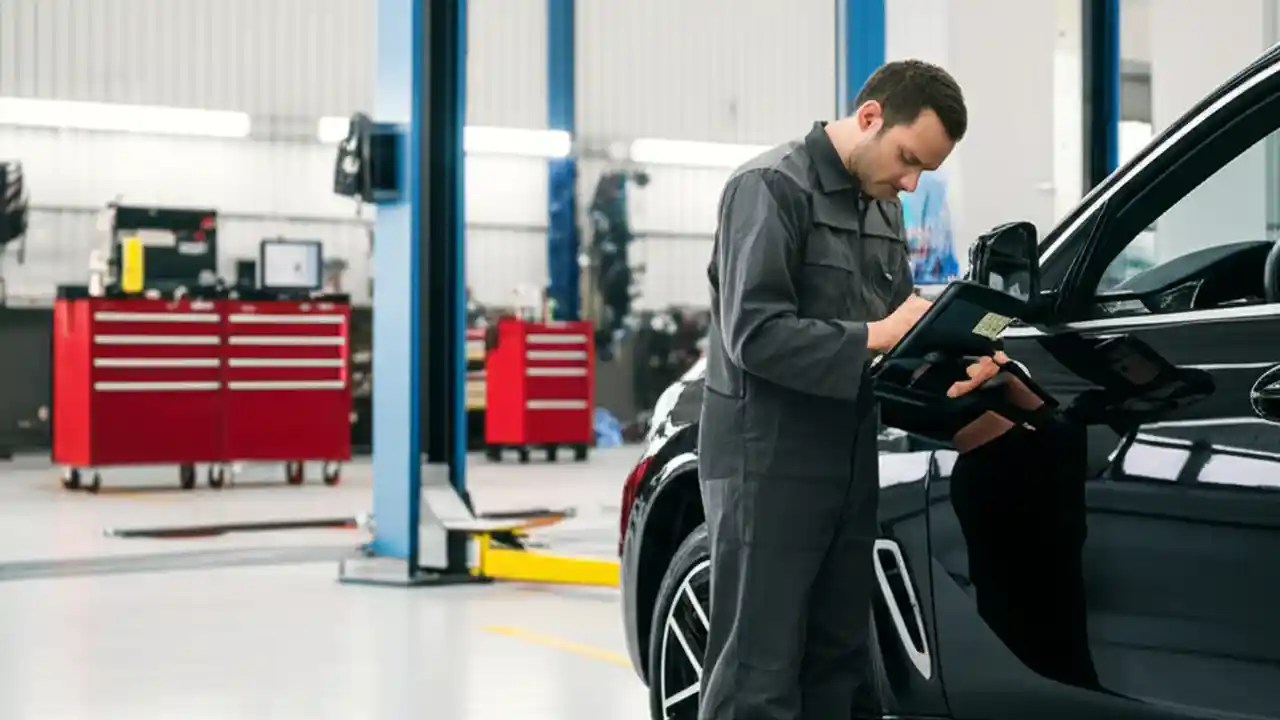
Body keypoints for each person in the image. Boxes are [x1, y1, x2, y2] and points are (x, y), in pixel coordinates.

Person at [697, 59, 999, 719]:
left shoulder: (881, 207)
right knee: (759, 670)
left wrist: (966, 375)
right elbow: (755, 334)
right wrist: (879, 332)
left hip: (849, 459)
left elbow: (895, 344)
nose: (911, 182)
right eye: (908, 158)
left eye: (925, 171)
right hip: (768, 463)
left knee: (838, 662)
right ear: (869, 118)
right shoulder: (771, 188)